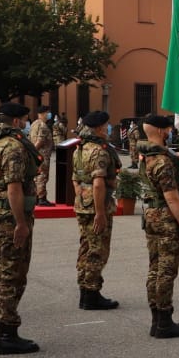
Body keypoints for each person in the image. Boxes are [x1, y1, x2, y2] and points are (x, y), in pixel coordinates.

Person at [0, 102, 42, 355]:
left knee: (7, 271)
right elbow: (14, 187)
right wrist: (19, 222)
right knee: (12, 275)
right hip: (12, 218)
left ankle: (7, 331)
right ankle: (7, 335)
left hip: (0, 213)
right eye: (25, 120)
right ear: (17, 121)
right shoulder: (14, 147)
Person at [137, 114, 179, 337]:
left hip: (150, 215)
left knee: (155, 268)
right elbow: (172, 197)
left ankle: (157, 320)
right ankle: (164, 321)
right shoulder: (162, 161)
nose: (171, 131)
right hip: (165, 217)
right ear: (163, 131)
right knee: (166, 271)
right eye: (169, 129)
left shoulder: (146, 155)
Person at [72, 110, 120, 310]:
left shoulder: (80, 149)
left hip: (83, 204)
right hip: (97, 207)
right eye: (106, 125)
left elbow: (75, 178)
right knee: (97, 250)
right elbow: (99, 183)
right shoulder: (99, 151)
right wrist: (99, 212)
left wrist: (83, 198)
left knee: (86, 248)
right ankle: (91, 294)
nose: (108, 129)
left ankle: (86, 292)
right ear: (100, 128)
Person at [29, 107, 57, 204]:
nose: (49, 114)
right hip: (42, 155)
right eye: (48, 112)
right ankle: (41, 197)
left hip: (37, 155)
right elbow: (40, 141)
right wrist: (33, 151)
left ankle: (36, 196)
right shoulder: (43, 126)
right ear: (43, 113)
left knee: (37, 176)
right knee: (42, 176)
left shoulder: (34, 124)